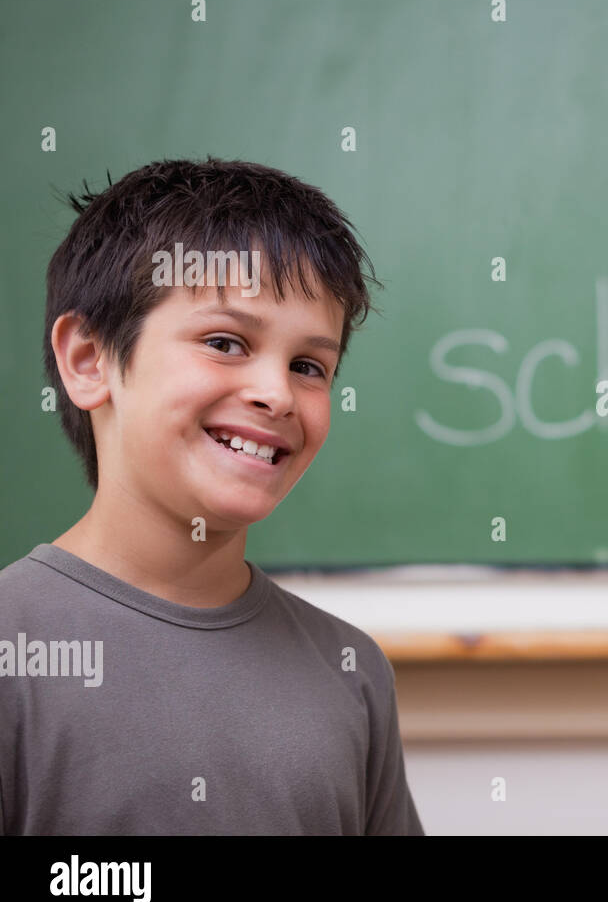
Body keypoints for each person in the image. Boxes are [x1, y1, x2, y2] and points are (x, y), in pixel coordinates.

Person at [0, 157, 424, 834]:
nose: (277, 394)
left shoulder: (351, 671)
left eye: (309, 366)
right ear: (88, 359)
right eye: (225, 342)